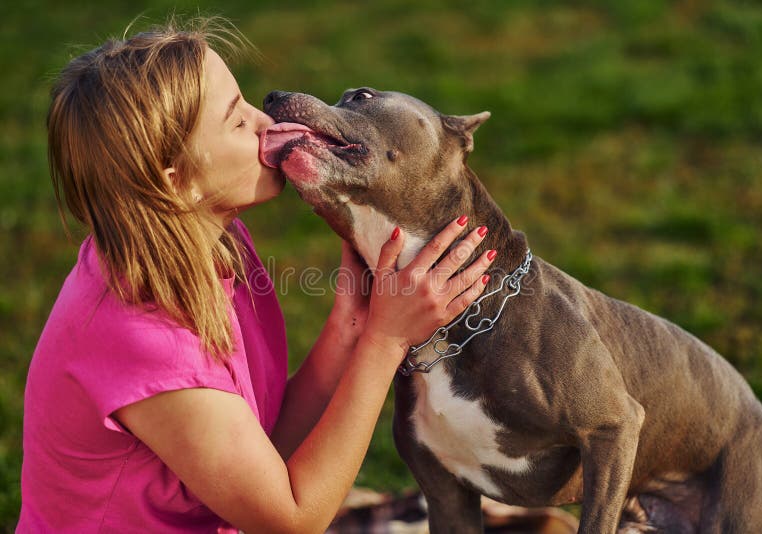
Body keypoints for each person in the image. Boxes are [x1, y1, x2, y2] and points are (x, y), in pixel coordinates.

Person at [17, 17, 496, 534]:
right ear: (175, 180)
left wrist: (348, 330)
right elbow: (291, 517)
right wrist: (386, 341)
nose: (266, 123)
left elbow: (262, 448)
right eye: (236, 122)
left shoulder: (209, 244)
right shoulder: (142, 338)